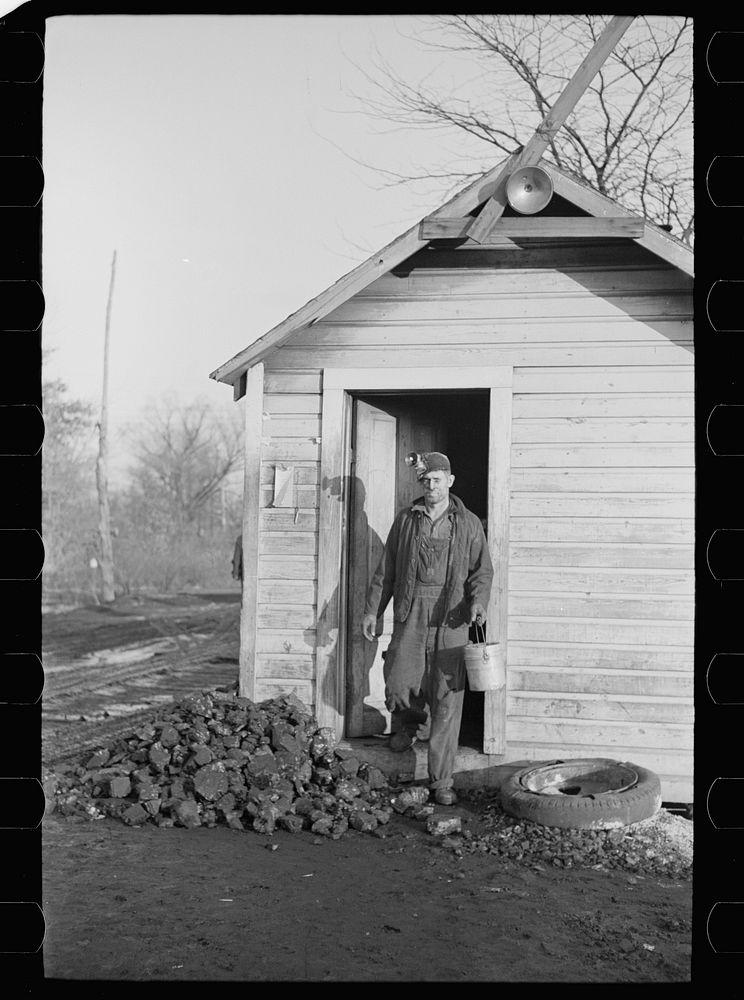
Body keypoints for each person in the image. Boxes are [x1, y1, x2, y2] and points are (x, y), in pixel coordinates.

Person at [362, 451, 493, 806]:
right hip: (412, 608)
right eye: (425, 481)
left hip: (452, 615)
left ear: (450, 481)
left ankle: (442, 782)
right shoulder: (407, 519)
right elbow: (386, 570)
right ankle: (413, 723)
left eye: (437, 480)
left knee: (447, 699)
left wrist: (478, 603)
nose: (431, 486)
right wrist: (373, 609)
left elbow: (482, 571)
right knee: (400, 680)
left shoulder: (467, 523)